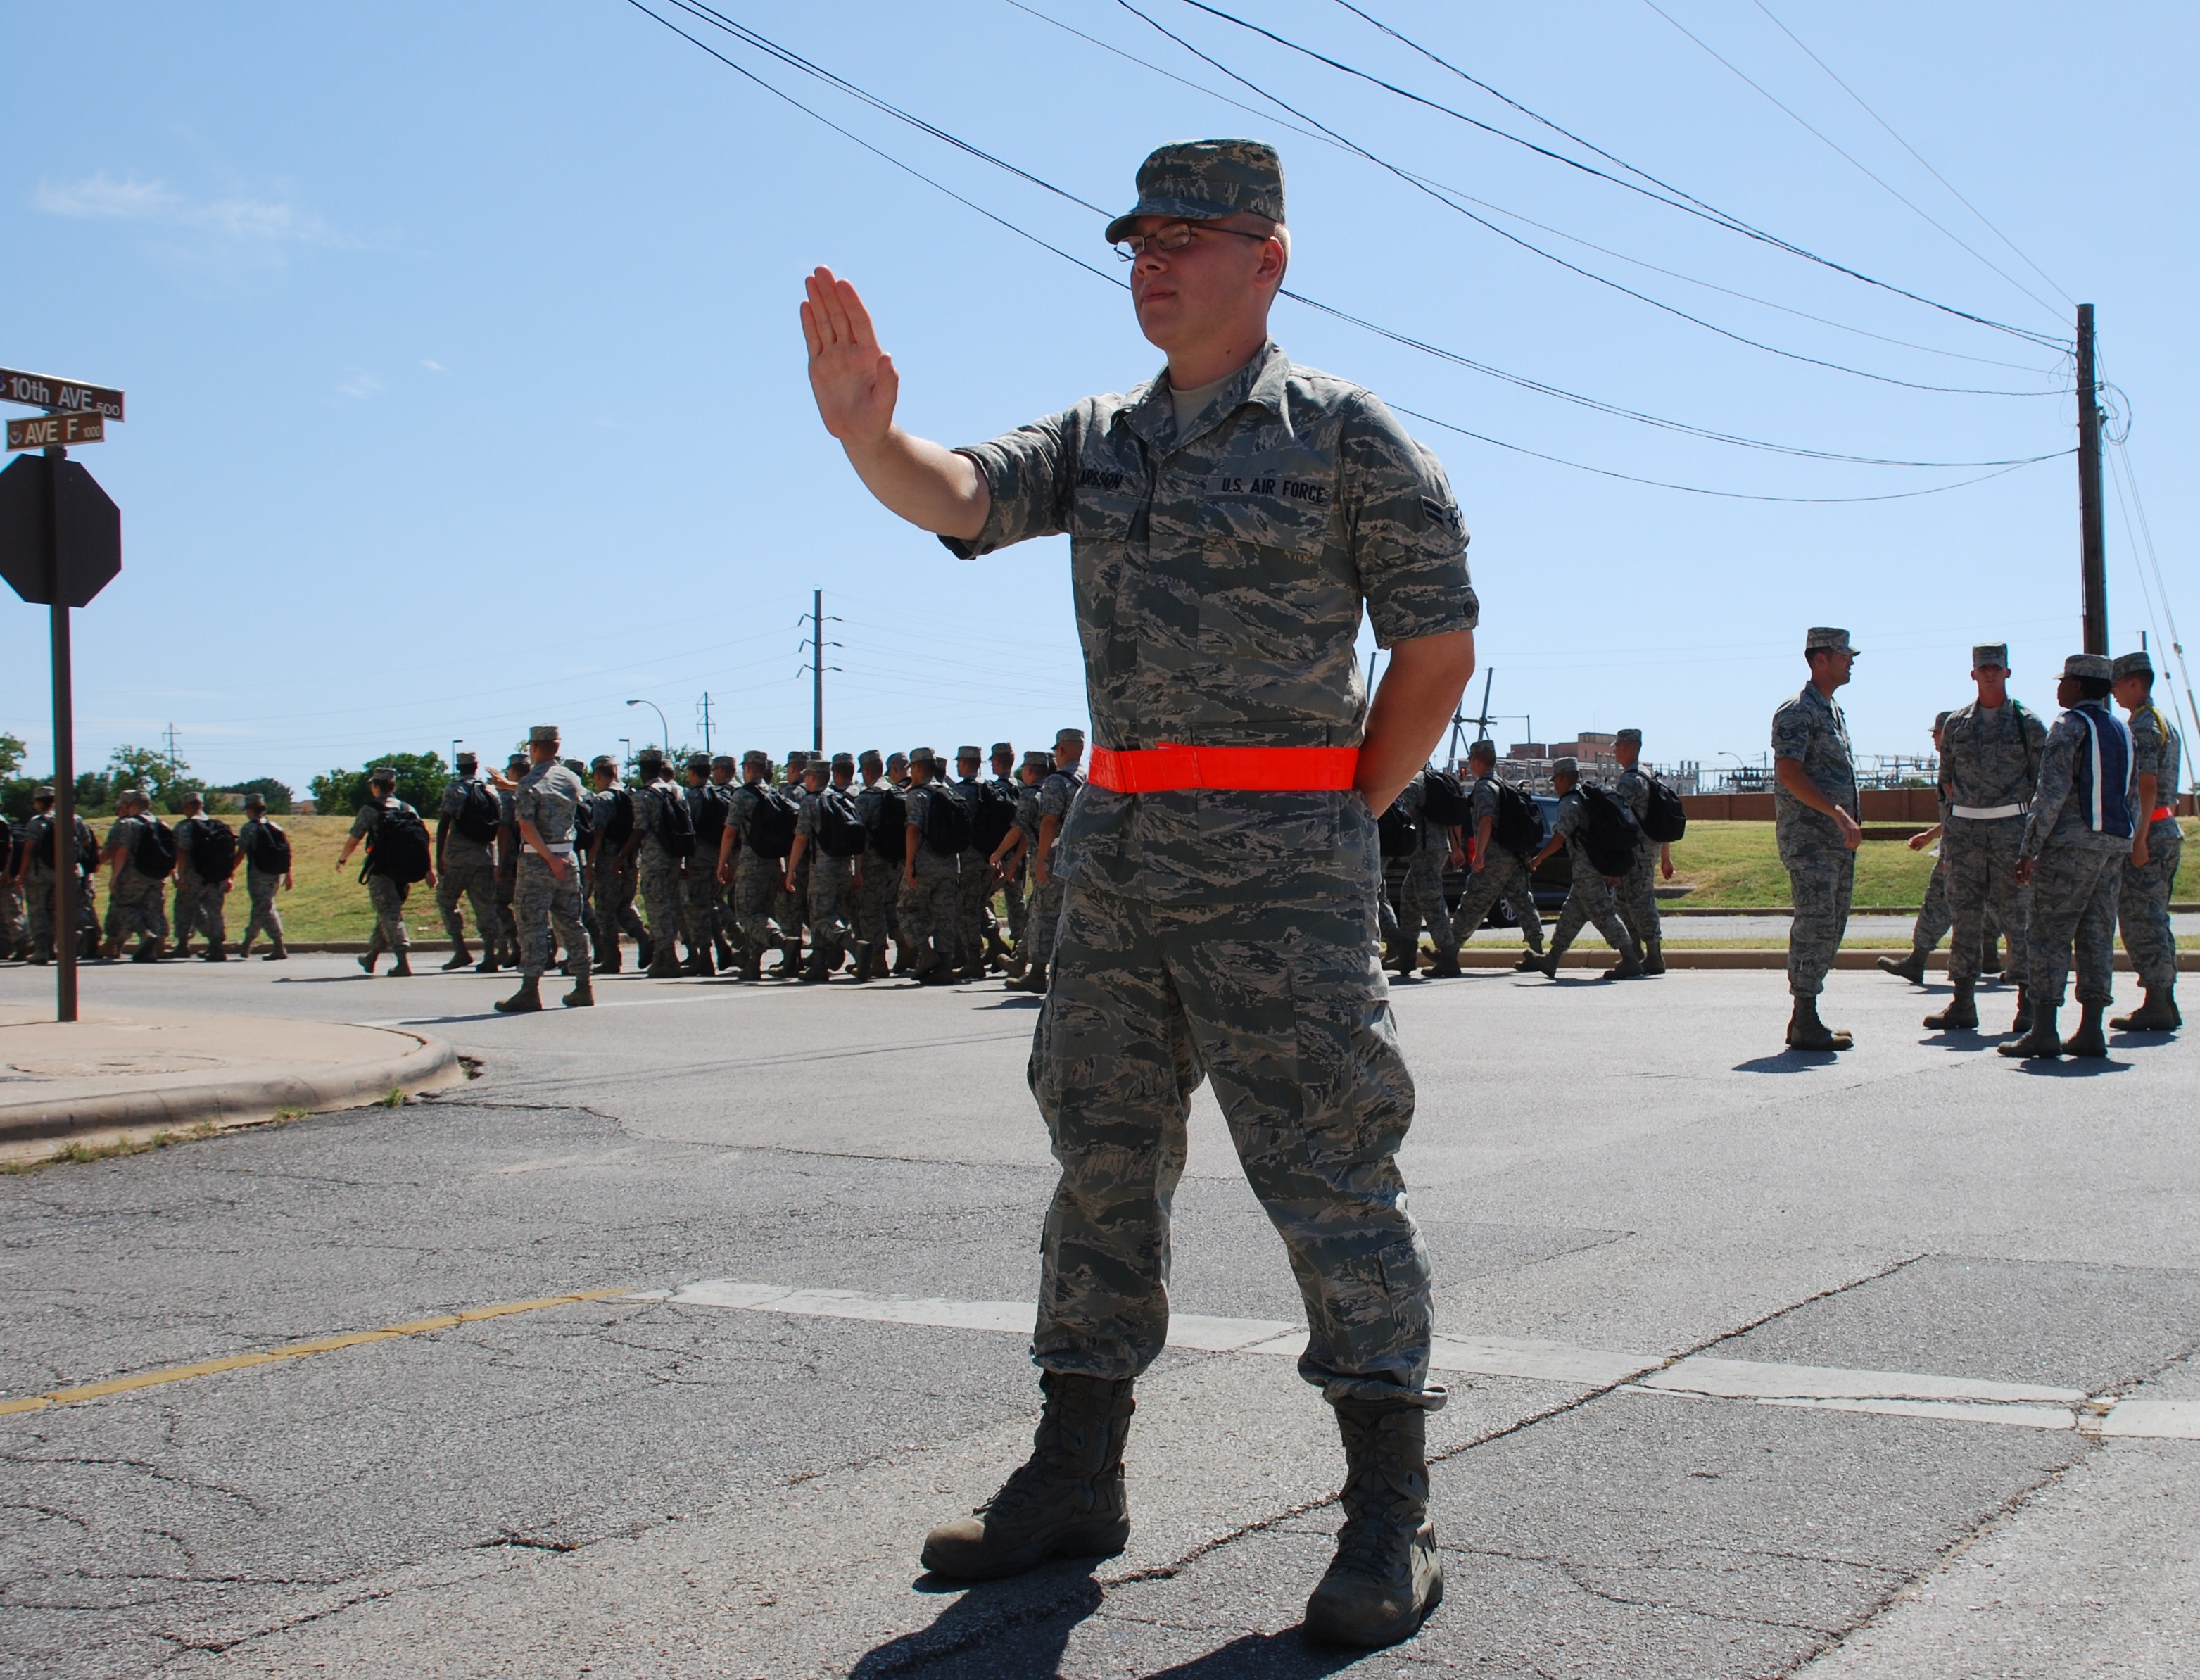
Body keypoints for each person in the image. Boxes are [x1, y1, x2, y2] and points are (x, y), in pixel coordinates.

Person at [802, 137, 1477, 1646]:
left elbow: (1434, 650)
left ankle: (1389, 1507)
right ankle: (1075, 1470)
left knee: (1329, 1174)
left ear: (1269, 258)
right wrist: (869, 442)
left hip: (1284, 862)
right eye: (1139, 237)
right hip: (1116, 855)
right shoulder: (1101, 436)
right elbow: (965, 492)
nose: (1152, 259)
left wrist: (1337, 816)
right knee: (1099, 1159)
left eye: (1190, 235)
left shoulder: (1349, 436)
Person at [2002, 655, 2136, 1059]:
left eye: (2064, 682)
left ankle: (2044, 1029)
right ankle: (2091, 1029)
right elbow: (2131, 797)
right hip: (2113, 845)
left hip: (2069, 847)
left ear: (2077, 687)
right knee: (2097, 936)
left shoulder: (2069, 725)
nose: (2058, 688)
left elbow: (2051, 793)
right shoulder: (2121, 730)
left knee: (2047, 935)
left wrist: (2029, 849)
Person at [1915, 645, 2044, 1035]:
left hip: (2011, 832)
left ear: (2008, 673)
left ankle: (2027, 1003)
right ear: (1973, 675)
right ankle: (1963, 1002)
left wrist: (2032, 843)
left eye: (1996, 669)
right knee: (1965, 916)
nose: (1989, 674)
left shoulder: (2028, 724)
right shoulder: (1958, 724)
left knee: (2018, 918)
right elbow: (1947, 780)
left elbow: (2042, 784)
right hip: (1966, 834)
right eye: (1983, 669)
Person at [1773, 629, 1864, 1051]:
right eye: (1846, 654)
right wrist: (1838, 813)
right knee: (1815, 923)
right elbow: (1790, 773)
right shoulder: (1797, 712)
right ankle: (1804, 1018)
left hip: (1835, 842)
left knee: (1832, 923)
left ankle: (1806, 1016)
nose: (1852, 661)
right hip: (1810, 841)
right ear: (1821, 658)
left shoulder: (1834, 711)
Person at [491, 726, 594, 1013]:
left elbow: (526, 824)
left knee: (532, 924)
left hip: (538, 860)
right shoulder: (570, 778)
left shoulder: (528, 783)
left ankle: (530, 990)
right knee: (572, 923)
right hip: (569, 857)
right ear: (558, 746)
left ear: (533, 747)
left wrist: (548, 859)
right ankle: (584, 985)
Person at [2110, 650, 2184, 1032]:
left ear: (2135, 683)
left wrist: (2138, 841)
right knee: (2155, 918)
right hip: (2164, 829)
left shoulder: (2142, 725)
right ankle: (2164, 1001)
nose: (2115, 692)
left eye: (2118, 685)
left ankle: (2157, 1001)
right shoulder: (2160, 720)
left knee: (2141, 920)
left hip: (2150, 832)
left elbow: (2147, 784)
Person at [1527, 758, 1643, 980]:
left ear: (1563, 778)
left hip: (1587, 873)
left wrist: (1538, 859)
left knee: (1604, 916)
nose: (1555, 785)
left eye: (1555, 781)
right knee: (1570, 916)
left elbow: (1559, 838)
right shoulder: (1586, 798)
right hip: (1587, 871)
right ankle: (1552, 959)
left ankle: (1630, 960)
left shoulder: (1570, 803)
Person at [1450, 740, 1545, 968]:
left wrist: (1479, 854)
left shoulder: (1484, 787)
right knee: (1523, 901)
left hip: (1494, 857)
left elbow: (1486, 820)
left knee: (1473, 901)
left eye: (1471, 760)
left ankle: (1448, 953)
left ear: (1477, 761)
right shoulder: (1503, 785)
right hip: (1514, 856)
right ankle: (1538, 951)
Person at [336, 765, 434, 976]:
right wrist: (428, 870)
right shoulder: (408, 809)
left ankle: (402, 960)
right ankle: (371, 956)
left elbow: (355, 838)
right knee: (387, 911)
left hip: (381, 870)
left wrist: (342, 859)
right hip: (404, 871)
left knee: (389, 912)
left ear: (375, 787)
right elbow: (422, 840)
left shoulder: (371, 810)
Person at [1016, 728, 1085, 995]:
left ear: (1061, 751)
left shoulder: (1057, 782)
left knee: (1045, 911)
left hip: (1059, 854)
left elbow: (1049, 821)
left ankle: (1036, 972)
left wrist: (1042, 858)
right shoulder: (1090, 778)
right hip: (1084, 857)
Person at [785, 757, 856, 983]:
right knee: (833, 914)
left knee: (819, 916)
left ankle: (855, 948)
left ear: (814, 778)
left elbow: (801, 839)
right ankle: (820, 962)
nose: (804, 779)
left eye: (807, 776)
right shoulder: (843, 799)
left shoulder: (811, 802)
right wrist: (857, 870)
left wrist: (791, 870)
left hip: (822, 868)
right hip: (845, 867)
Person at [724, 750, 792, 981]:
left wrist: (722, 861)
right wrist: (784, 869)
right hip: (774, 864)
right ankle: (753, 964)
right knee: (762, 913)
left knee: (748, 915)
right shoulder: (774, 794)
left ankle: (783, 942)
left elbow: (730, 832)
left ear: (748, 768)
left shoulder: (742, 796)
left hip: (751, 863)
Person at [1609, 730, 1671, 975]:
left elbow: (1617, 819)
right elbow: (1663, 818)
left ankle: (1653, 957)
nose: (1614, 751)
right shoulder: (1649, 774)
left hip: (1636, 852)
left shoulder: (1631, 780)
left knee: (1640, 902)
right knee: (1624, 901)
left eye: (1617, 747)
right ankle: (1636, 955)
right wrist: (1665, 856)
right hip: (1645, 849)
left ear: (1627, 748)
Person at [1390, 768, 1462, 980]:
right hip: (1438, 847)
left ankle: (1449, 959)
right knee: (1409, 897)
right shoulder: (1436, 780)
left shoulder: (1415, 778)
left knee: (1432, 903)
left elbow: (1405, 804)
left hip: (1425, 848)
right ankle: (1407, 958)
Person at [435, 752, 504, 973]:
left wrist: (439, 857)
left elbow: (444, 823)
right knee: (486, 905)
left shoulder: (454, 790)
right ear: (476, 767)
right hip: (485, 855)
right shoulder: (491, 790)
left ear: (458, 766)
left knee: (446, 898)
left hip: (457, 856)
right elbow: (499, 826)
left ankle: (460, 949)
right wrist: (497, 860)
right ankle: (490, 955)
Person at [898, 747, 961, 983]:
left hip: (925, 862)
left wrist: (909, 864)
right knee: (944, 914)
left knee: (905, 908)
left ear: (916, 768)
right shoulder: (950, 792)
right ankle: (945, 965)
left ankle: (925, 953)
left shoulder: (918, 795)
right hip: (950, 864)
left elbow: (913, 829)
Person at [18, 788, 98, 965]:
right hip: (70, 872)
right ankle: (85, 925)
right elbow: (87, 843)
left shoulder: (36, 823)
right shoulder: (75, 819)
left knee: (39, 911)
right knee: (65, 908)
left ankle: (42, 950)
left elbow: (29, 849)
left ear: (39, 803)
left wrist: (22, 875)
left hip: (41, 875)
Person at [628, 748, 688, 978]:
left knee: (657, 907)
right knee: (671, 906)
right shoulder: (676, 791)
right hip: (675, 856)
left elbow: (639, 828)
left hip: (654, 859)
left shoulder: (644, 795)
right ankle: (665, 956)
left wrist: (624, 853)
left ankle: (667, 957)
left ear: (644, 770)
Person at [588, 755, 650, 973]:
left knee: (605, 910)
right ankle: (643, 936)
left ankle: (612, 959)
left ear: (597, 775)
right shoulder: (632, 795)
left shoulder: (603, 799)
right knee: (624, 904)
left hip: (609, 859)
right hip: (632, 858)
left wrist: (590, 864)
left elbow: (598, 833)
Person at [994, 750, 1050, 978]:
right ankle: (1020, 960)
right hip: (1057, 861)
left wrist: (998, 853)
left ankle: (1037, 971)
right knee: (1035, 910)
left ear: (1028, 771)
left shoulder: (1030, 796)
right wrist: (1016, 861)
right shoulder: (1057, 790)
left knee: (1042, 914)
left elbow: (1018, 830)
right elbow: (1029, 835)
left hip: (1044, 864)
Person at [101, 789, 172, 963]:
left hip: (133, 874)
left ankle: (145, 934)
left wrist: (115, 876)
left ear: (130, 806)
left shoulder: (128, 824)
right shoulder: (162, 824)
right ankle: (156, 948)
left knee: (122, 906)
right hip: (156, 876)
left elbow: (122, 851)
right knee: (152, 910)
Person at [852, 750, 902, 979]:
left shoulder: (865, 798)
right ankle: (906, 945)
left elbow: (859, 837)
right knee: (892, 907)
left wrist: (857, 869)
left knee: (872, 911)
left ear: (867, 770)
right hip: (896, 862)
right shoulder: (898, 793)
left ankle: (878, 959)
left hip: (873, 863)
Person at [683, 753, 730, 975]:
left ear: (692, 772)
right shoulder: (721, 794)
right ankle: (721, 944)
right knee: (711, 903)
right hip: (718, 858)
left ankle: (705, 956)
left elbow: (687, 831)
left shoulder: (691, 797)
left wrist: (684, 860)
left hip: (697, 859)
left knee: (696, 907)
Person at [235, 792, 292, 960]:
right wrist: (288, 875)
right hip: (276, 875)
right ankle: (247, 944)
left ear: (251, 810)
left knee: (264, 909)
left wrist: (229, 872)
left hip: (258, 875)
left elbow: (241, 853)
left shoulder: (249, 829)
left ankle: (278, 945)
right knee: (262, 908)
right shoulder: (276, 827)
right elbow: (286, 852)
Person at [990, 741, 1028, 959]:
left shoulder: (994, 790)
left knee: (980, 899)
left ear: (997, 762)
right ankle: (1019, 946)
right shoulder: (1024, 788)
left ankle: (994, 940)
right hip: (1021, 855)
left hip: (999, 853)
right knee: (1016, 900)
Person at [492, 752, 528, 970]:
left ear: (513, 772)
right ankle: (548, 951)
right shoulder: (536, 791)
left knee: (500, 903)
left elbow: (504, 832)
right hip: (540, 856)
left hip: (514, 861)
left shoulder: (507, 797)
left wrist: (501, 863)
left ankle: (516, 946)